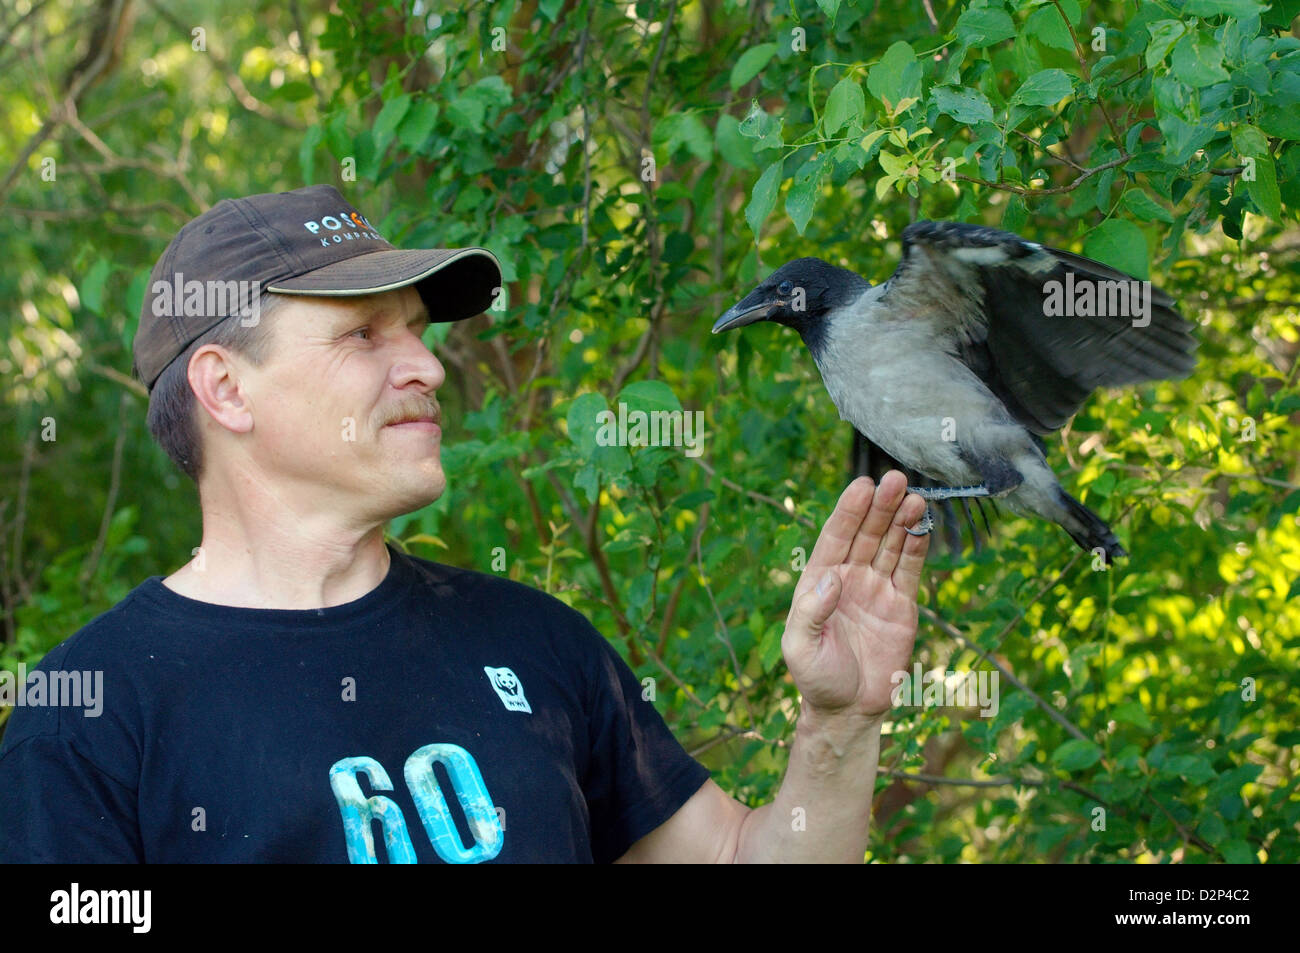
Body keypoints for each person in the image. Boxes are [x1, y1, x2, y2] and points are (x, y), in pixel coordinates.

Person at [0, 185, 930, 863]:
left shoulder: (534, 641)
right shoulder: (90, 720)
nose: (427, 367)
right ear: (226, 389)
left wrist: (839, 721)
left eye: (418, 331)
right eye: (364, 334)